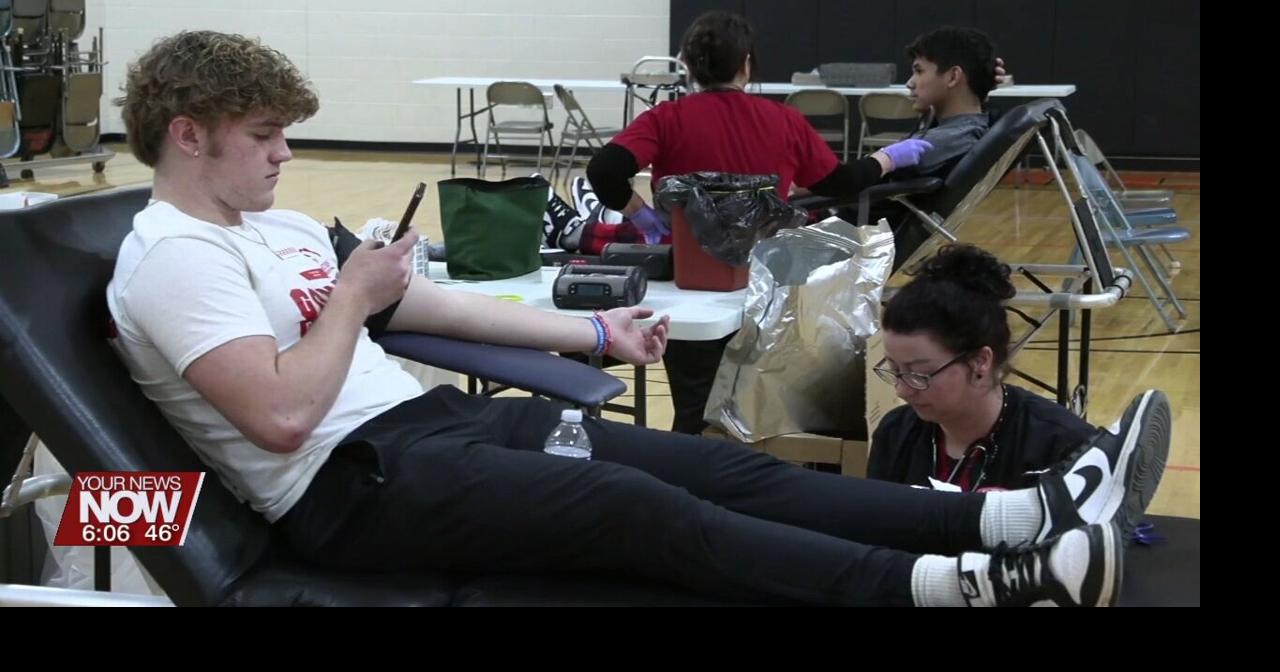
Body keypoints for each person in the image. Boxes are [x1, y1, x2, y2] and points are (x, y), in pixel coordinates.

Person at [106, 30, 1163, 607]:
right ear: (187, 136)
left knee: (721, 471)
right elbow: (283, 419)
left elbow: (425, 304)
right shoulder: (170, 258)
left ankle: (1002, 521)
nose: (285, 152)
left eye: (289, 134)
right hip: (353, 489)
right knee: (640, 514)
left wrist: (596, 336)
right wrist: (350, 298)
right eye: (262, 135)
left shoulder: (279, 229)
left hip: (438, 432)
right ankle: (953, 589)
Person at [868, 245, 1100, 492]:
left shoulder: (1065, 445)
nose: (901, 391)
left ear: (980, 361)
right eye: (894, 368)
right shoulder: (894, 433)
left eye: (919, 374)